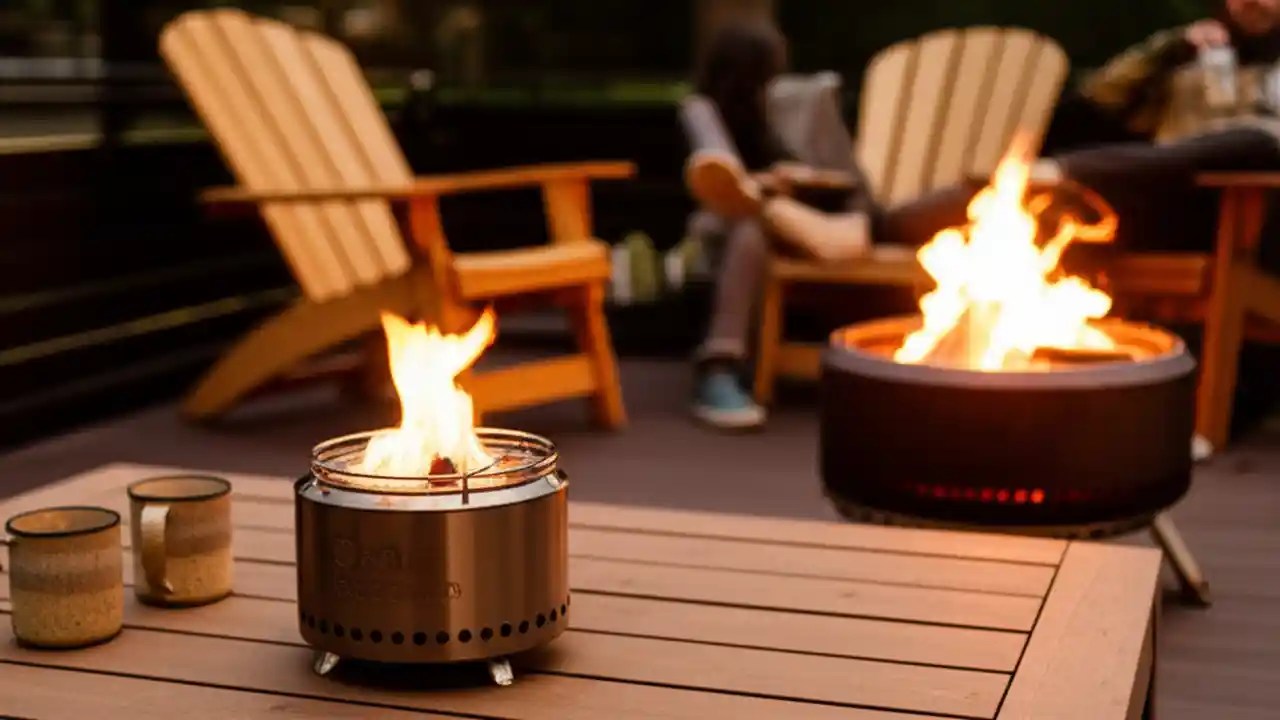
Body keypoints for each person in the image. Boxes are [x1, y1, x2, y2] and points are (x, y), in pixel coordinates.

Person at [885, 0, 1280, 255]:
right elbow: (1097, 101)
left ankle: (1053, 173)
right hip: (1155, 199)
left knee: (1257, 140)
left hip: (1246, 220)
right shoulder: (1188, 65)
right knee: (1036, 209)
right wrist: (1170, 49)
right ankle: (876, 223)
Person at [681, 18, 875, 430]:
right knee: (751, 228)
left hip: (796, 220)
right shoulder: (702, 109)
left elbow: (843, 175)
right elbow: (717, 170)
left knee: (801, 219)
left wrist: (805, 172)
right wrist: (764, 183)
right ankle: (719, 366)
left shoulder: (785, 108)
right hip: (732, 219)